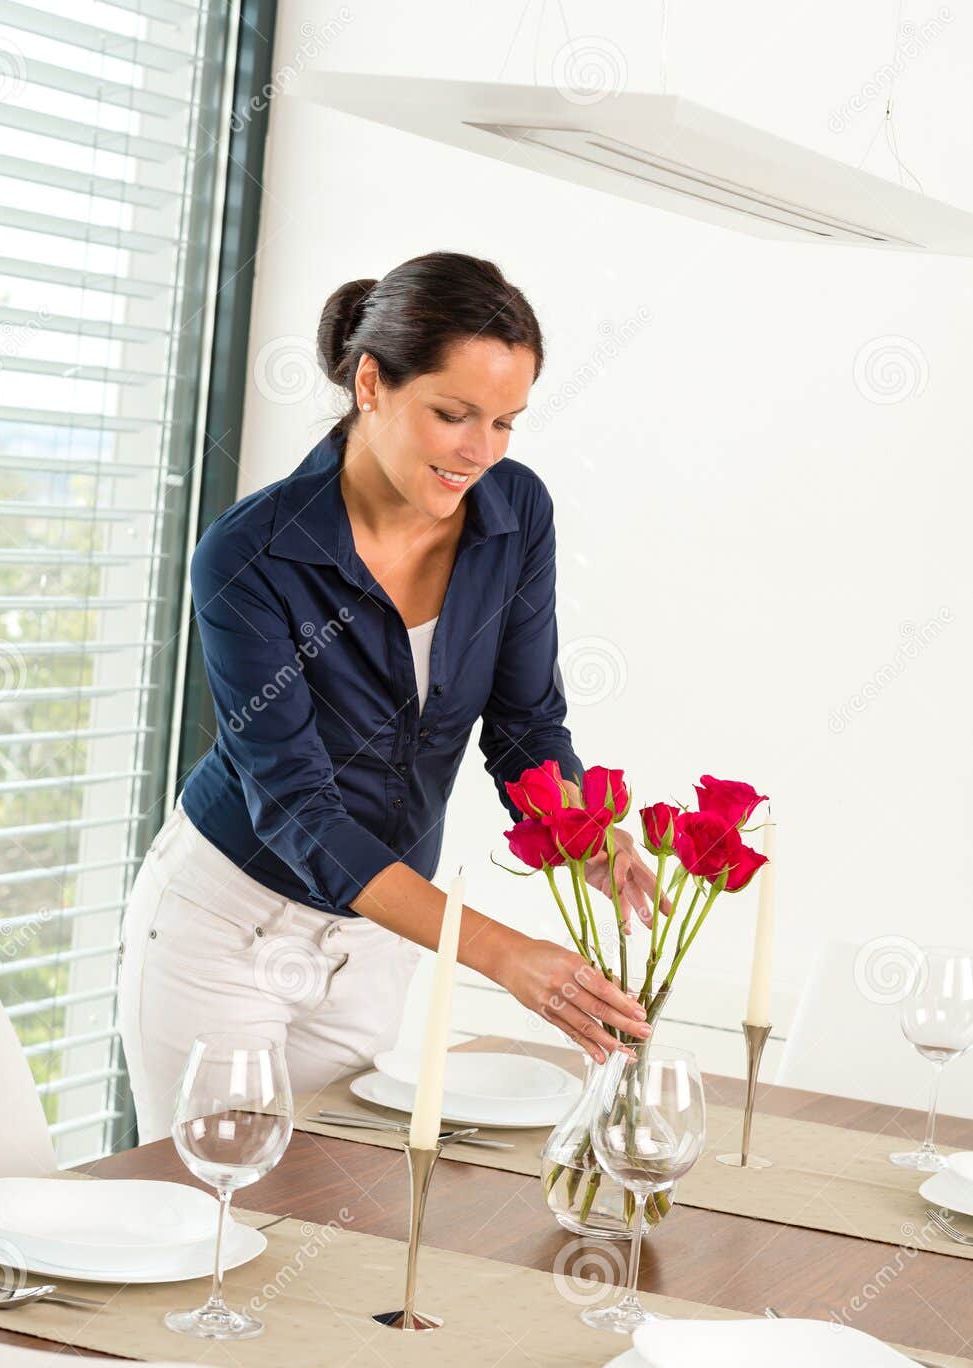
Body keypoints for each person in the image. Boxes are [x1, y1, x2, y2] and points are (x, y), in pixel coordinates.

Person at [117, 251, 664, 1143]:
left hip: (377, 937)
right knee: (211, 1208)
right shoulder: (252, 554)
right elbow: (296, 808)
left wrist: (580, 834)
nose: (479, 452)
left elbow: (524, 723)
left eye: (505, 423)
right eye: (452, 415)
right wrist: (501, 953)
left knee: (331, 1214)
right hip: (224, 929)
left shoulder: (514, 513)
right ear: (370, 382)